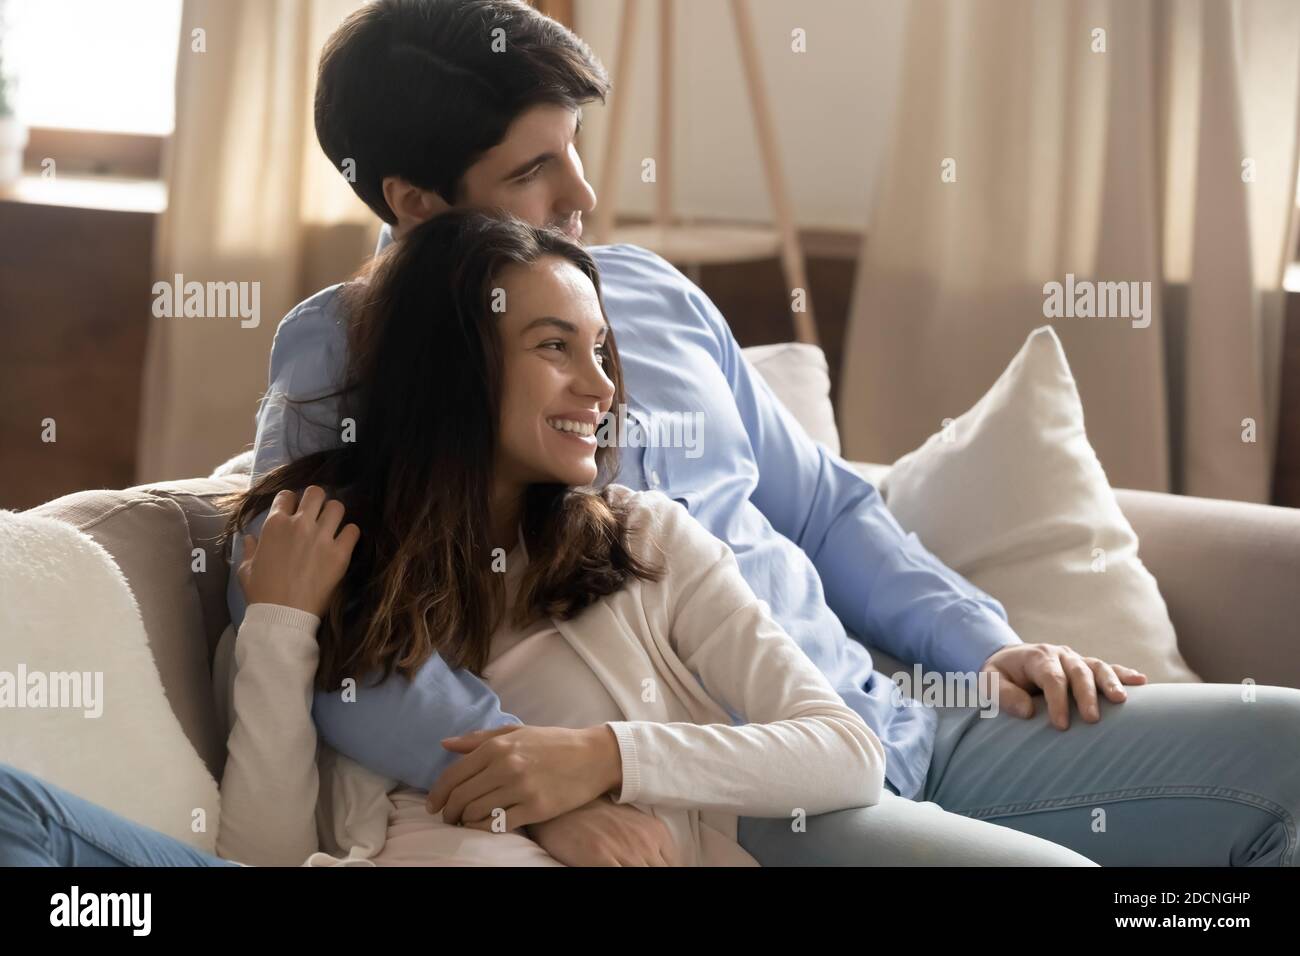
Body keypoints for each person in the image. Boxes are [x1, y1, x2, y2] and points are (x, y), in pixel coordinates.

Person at [225, 0, 1299, 867]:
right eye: (530, 171)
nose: (584, 194)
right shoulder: (343, 351)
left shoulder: (647, 292)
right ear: (415, 201)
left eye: (577, 150)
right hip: (720, 789)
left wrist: (982, 645)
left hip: (887, 720)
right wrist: (536, 779)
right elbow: (321, 617)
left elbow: (826, 509)